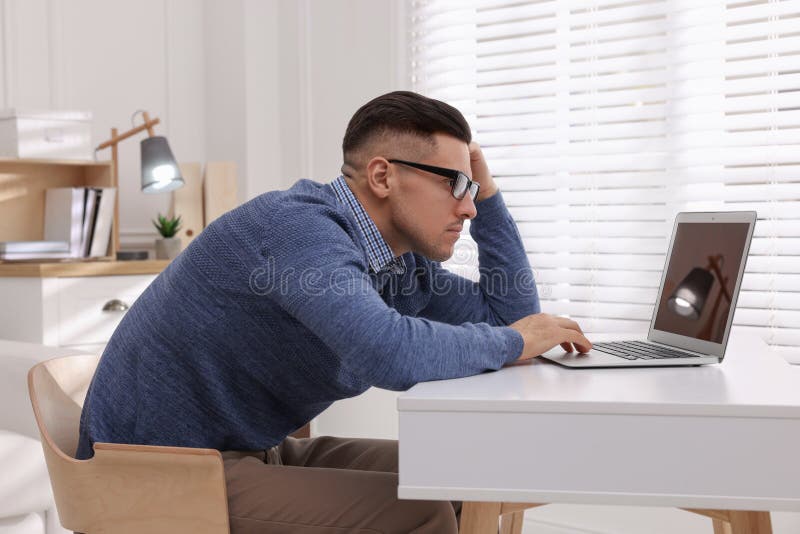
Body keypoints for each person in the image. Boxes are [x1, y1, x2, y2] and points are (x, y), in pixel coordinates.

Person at [76, 91, 592, 533]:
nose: (469, 207)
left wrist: (491, 194)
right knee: (423, 514)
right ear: (383, 176)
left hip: (250, 452)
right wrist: (515, 341)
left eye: (472, 188)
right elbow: (386, 351)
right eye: (455, 185)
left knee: (463, 477)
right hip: (155, 470)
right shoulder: (297, 229)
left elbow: (513, 318)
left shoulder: (397, 265)